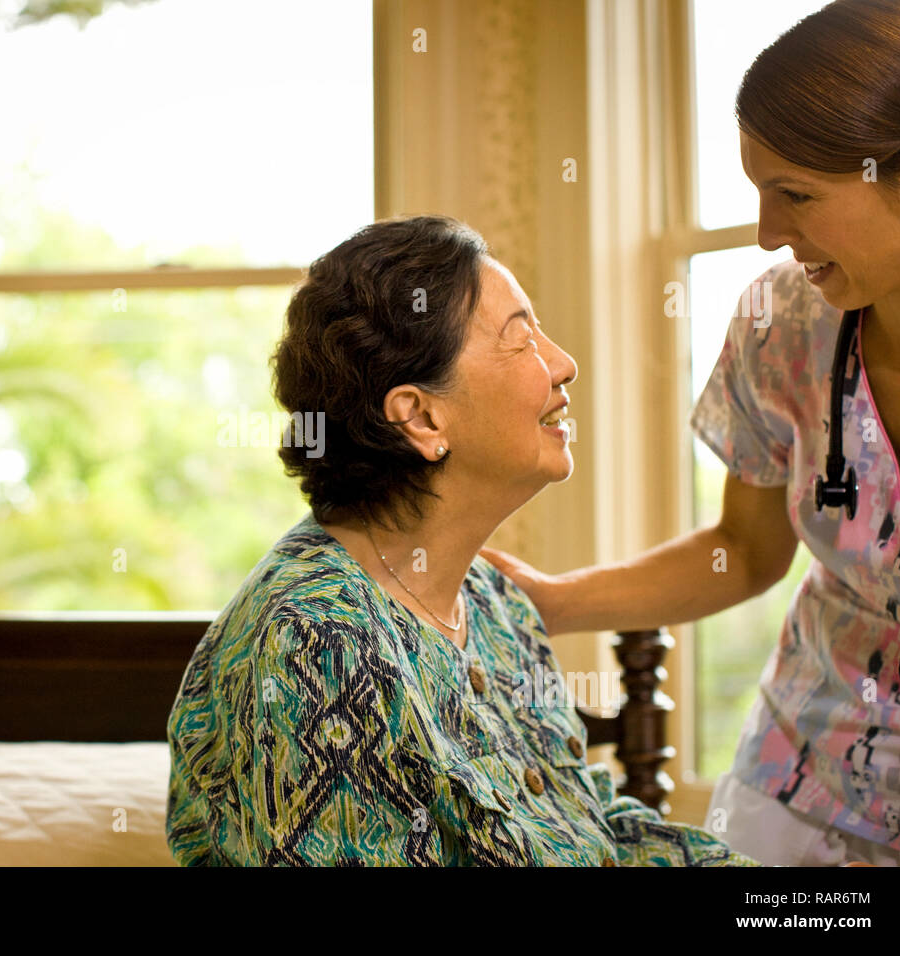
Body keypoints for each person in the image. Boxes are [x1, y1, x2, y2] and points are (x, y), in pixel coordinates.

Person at [165, 215, 759, 866]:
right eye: (521, 339)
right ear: (421, 416)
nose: (564, 365)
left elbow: (589, 826)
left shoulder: (494, 603)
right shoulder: (319, 645)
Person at [481, 0, 900, 866]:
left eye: (796, 195)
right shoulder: (782, 323)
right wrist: (556, 600)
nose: (766, 234)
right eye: (759, 193)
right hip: (806, 771)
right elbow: (743, 551)